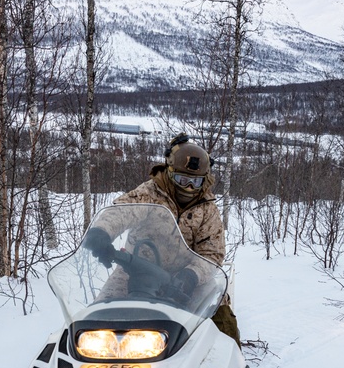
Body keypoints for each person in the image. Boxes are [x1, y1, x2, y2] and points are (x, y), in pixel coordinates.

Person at [82, 133, 241, 348]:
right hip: (137, 269)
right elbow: (123, 211)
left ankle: (229, 365)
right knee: (96, 316)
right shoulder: (150, 193)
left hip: (185, 278)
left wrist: (192, 274)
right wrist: (102, 231)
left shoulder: (207, 209)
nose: (189, 188)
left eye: (196, 182)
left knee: (221, 321)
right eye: (182, 180)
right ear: (170, 172)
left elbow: (212, 254)